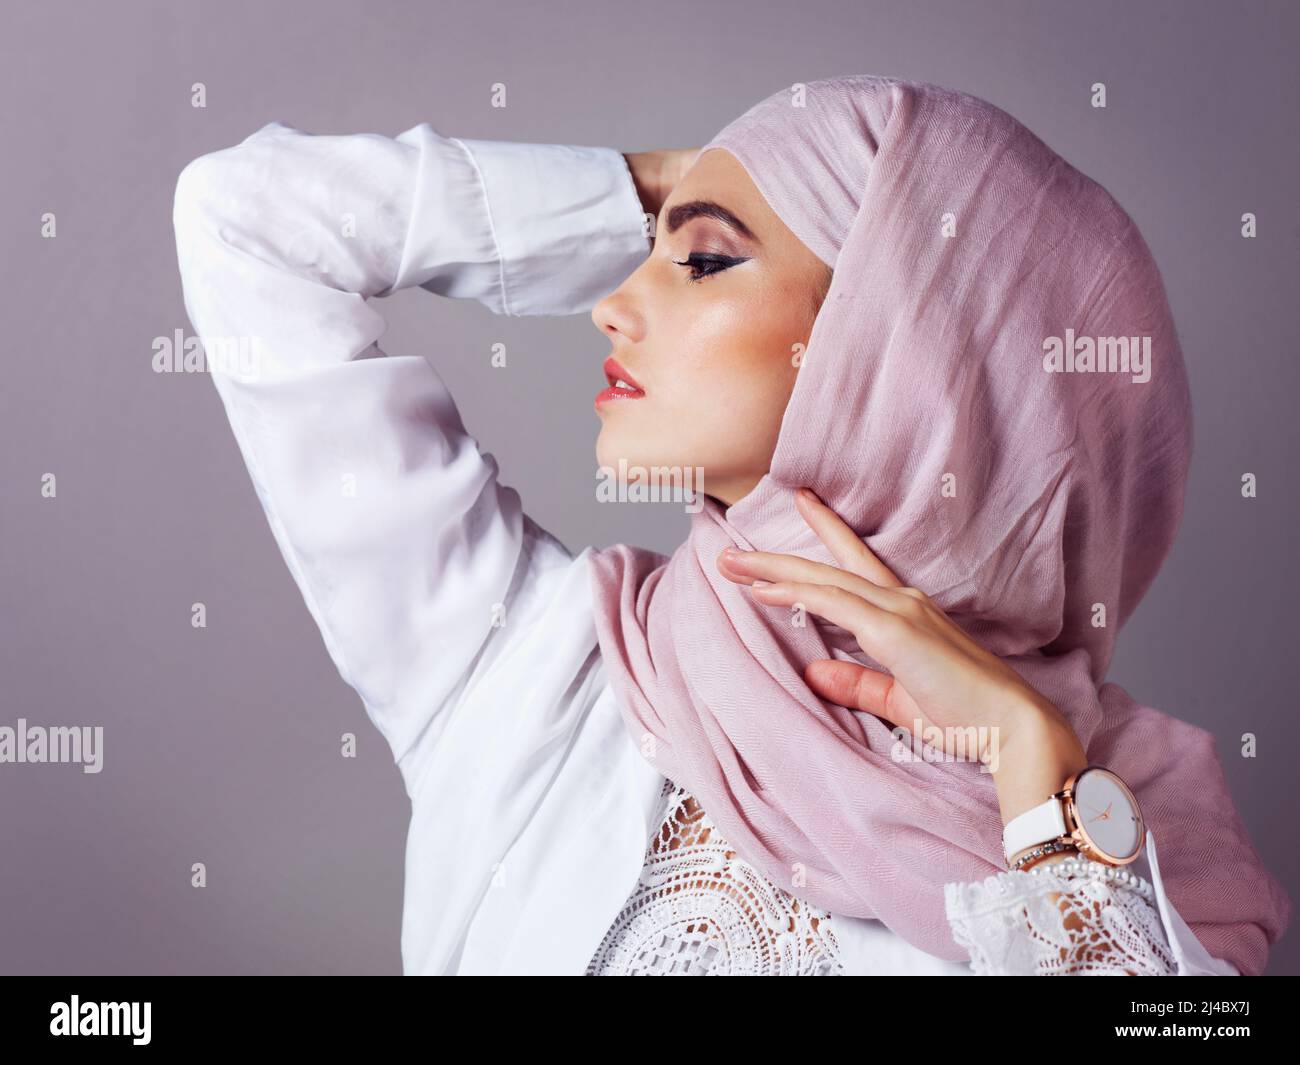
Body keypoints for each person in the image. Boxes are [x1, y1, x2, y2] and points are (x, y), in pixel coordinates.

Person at [172, 75, 1288, 975]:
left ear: (898, 346)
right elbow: (250, 222)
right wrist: (677, 186)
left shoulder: (1122, 844)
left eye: (701, 259)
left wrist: (1026, 762)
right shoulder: (531, 665)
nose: (612, 303)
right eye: (650, 247)